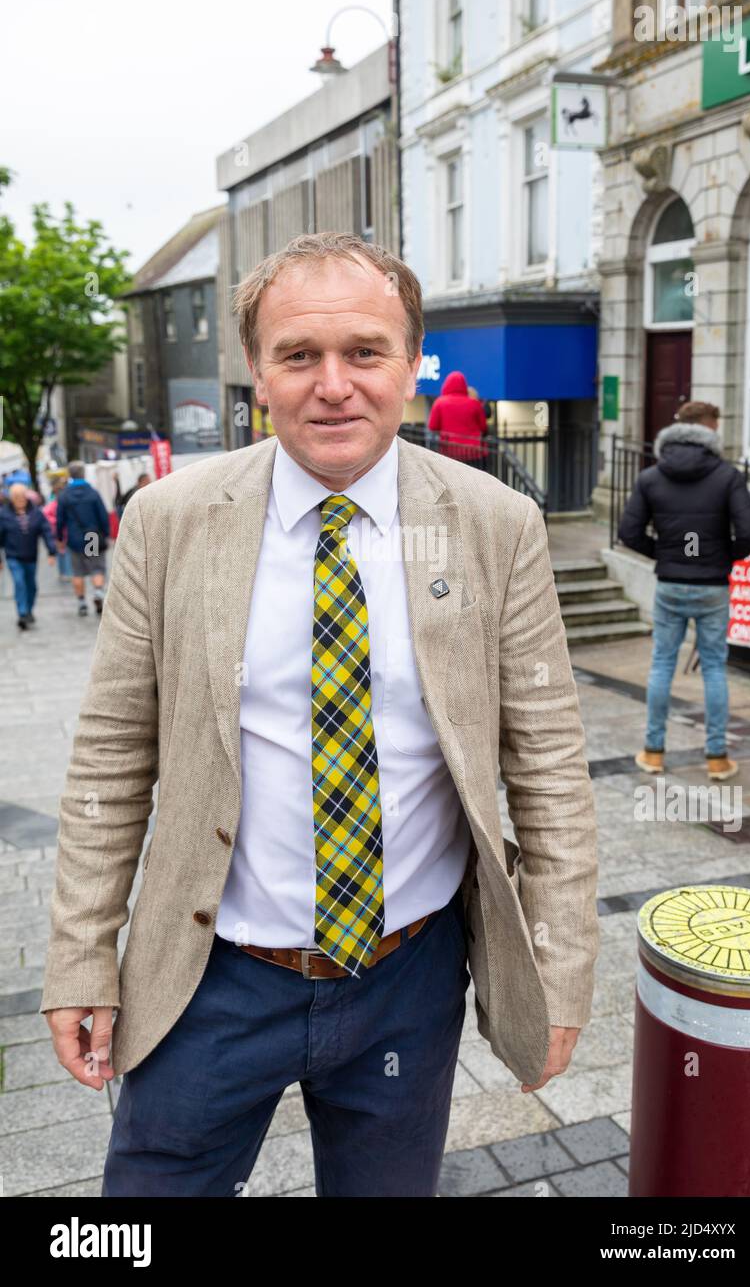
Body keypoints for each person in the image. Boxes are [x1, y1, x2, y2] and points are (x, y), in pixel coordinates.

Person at [40, 231, 599, 1199]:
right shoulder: (172, 520)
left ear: (410, 366)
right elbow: (112, 753)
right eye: (299, 355)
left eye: (363, 352)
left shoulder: (492, 523)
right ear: (258, 369)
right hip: (211, 977)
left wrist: (556, 968)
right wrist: (82, 953)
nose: (332, 384)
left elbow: (546, 762)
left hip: (406, 979)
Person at [618, 400, 750, 781]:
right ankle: (716, 757)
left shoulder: (651, 477)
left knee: (663, 663)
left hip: (670, 584)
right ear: (707, 428)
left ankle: (653, 752)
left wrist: (665, 555)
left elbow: (628, 533)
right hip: (712, 584)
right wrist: (723, 557)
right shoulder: (726, 475)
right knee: (715, 667)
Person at [56, 461, 110, 617]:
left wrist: (60, 537)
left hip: (75, 538)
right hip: (91, 536)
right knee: (97, 568)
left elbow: (60, 520)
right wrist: (105, 534)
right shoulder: (92, 493)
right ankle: (98, 593)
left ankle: (81, 604)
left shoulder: (64, 495)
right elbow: (102, 516)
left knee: (78, 572)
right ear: (84, 473)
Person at [0, 482, 57, 629]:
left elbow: (46, 532)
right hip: (13, 556)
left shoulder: (36, 512)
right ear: (11, 498)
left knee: (31, 586)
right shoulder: (4, 514)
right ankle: (22, 613)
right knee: (19, 583)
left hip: (31, 556)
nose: (20, 499)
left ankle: (29, 610)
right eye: (16, 497)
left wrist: (51, 551)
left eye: (22, 496)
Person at [427, 369, 487, 467]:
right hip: (473, 453)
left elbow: (432, 426)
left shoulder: (439, 403)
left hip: (449, 452)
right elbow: (483, 427)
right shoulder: (474, 404)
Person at [42, 476, 73, 581]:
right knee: (65, 552)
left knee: (62, 552)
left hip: (58, 532)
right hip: (62, 531)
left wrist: (53, 521)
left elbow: (45, 515)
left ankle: (64, 572)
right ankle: (66, 572)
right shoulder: (60, 503)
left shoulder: (54, 503)